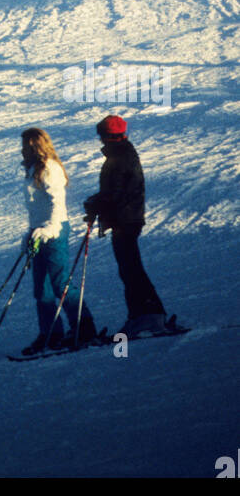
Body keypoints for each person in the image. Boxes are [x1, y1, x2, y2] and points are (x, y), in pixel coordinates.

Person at [83, 116, 168, 337]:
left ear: (109, 136)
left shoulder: (120, 157)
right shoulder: (122, 154)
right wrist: (97, 203)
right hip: (127, 219)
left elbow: (116, 193)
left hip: (126, 220)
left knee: (130, 269)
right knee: (129, 268)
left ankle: (145, 315)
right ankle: (146, 314)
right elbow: (114, 192)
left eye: (102, 136)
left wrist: (96, 204)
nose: (100, 141)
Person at [21, 127, 98, 354]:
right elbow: (37, 206)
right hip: (39, 232)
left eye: (26, 145)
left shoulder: (50, 168)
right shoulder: (33, 169)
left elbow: (57, 201)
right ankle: (50, 333)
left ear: (36, 145)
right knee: (41, 287)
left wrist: (52, 227)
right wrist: (32, 231)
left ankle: (83, 327)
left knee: (60, 282)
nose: (23, 150)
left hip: (54, 231)